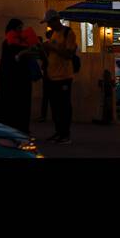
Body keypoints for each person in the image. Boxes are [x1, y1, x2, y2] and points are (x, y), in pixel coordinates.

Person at [39, 9, 79, 144]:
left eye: (49, 22)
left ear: (56, 20)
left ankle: (65, 134)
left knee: (64, 107)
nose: (49, 25)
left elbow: (69, 55)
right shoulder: (54, 34)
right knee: (55, 107)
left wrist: (53, 48)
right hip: (52, 76)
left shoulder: (69, 33)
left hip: (64, 76)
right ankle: (58, 132)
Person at [0, 18, 38, 134]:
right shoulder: (8, 42)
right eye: (19, 28)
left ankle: (21, 128)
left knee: (22, 105)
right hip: (10, 79)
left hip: (22, 79)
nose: (21, 31)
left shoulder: (22, 42)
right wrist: (22, 53)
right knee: (10, 105)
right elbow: (11, 60)